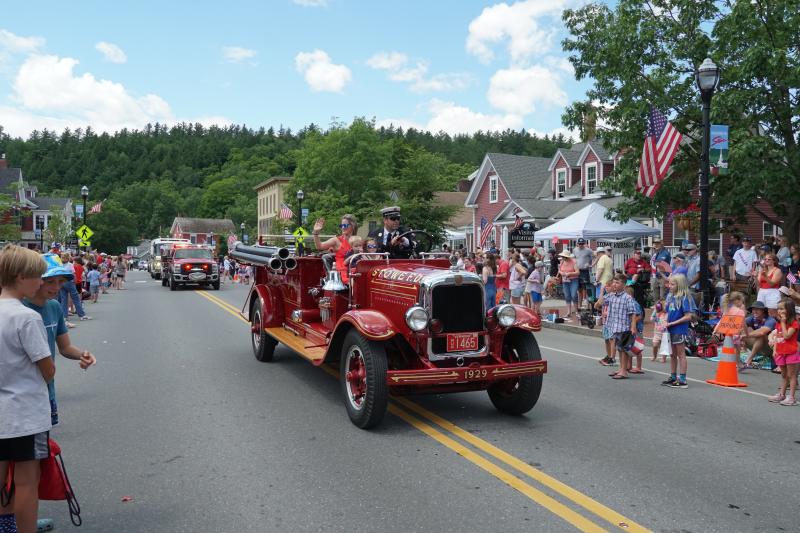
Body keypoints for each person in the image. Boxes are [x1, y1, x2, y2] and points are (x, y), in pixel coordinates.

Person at [0, 244, 54, 533]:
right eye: (38, 276)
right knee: (25, 483)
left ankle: (5, 526)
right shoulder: (26, 317)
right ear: (21, 277)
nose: (42, 282)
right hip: (25, 415)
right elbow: (47, 368)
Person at [600, 274, 639, 378]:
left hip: (624, 327)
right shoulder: (611, 296)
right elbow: (601, 302)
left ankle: (624, 371)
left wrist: (633, 326)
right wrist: (601, 291)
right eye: (614, 282)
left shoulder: (627, 298)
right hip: (614, 327)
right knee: (619, 349)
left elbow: (633, 313)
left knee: (623, 350)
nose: (615, 284)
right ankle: (621, 369)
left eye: (617, 283)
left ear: (624, 285)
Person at [662, 274, 696, 388]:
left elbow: (688, 316)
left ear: (679, 285)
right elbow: (667, 312)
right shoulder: (671, 297)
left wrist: (672, 323)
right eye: (669, 284)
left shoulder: (685, 297)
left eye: (673, 284)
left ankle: (682, 379)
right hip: (670, 329)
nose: (669, 286)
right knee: (672, 354)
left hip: (679, 329)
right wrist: (665, 322)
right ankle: (673, 376)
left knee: (681, 354)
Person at [768, 299, 799, 405]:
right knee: (784, 375)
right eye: (778, 309)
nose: (779, 311)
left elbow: (786, 336)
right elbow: (778, 337)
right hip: (781, 352)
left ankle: (791, 397)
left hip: (791, 352)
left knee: (792, 375)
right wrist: (775, 350)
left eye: (781, 308)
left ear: (789, 310)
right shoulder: (779, 324)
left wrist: (783, 323)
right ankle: (782, 394)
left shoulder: (794, 324)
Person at [312, 214, 357, 284]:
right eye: (341, 226)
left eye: (345, 225)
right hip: (342, 272)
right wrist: (316, 233)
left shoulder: (358, 240)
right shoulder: (336, 240)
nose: (343, 228)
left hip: (356, 270)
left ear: (352, 226)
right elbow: (319, 246)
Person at [56, 253, 90, 325]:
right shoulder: (70, 265)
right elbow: (73, 274)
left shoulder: (59, 264)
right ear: (68, 258)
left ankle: (64, 317)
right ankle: (82, 315)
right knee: (76, 298)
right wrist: (74, 281)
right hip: (69, 282)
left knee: (64, 300)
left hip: (62, 282)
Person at [741, 301, 776, 369]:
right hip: (759, 346)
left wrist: (744, 335)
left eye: (757, 309)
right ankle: (740, 353)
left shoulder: (771, 320)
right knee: (740, 330)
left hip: (771, 348)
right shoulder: (752, 318)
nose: (754, 311)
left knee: (760, 335)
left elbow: (762, 332)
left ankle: (749, 360)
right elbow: (739, 324)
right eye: (753, 309)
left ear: (763, 310)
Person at [558, 250, 579, 319]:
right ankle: (568, 312)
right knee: (567, 296)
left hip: (573, 280)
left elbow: (577, 272)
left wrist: (569, 273)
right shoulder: (562, 262)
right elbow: (559, 271)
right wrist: (562, 273)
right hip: (565, 280)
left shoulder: (573, 261)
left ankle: (576, 311)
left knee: (574, 295)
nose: (563, 257)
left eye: (564, 256)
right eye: (562, 256)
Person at [650, 237, 672, 301]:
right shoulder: (656, 253)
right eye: (655, 243)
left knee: (662, 297)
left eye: (658, 243)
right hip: (656, 276)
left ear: (662, 244)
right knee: (655, 296)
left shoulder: (665, 253)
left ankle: (662, 310)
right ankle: (657, 309)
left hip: (663, 277)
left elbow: (664, 265)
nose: (656, 245)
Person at [573, 238, 593, 308]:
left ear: (584, 243)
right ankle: (580, 305)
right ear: (577, 244)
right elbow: (574, 258)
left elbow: (594, 257)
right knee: (579, 289)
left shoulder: (588, 250)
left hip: (585, 271)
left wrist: (589, 264)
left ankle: (588, 305)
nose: (581, 245)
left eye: (582, 244)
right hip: (577, 271)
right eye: (580, 244)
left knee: (587, 288)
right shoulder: (575, 250)